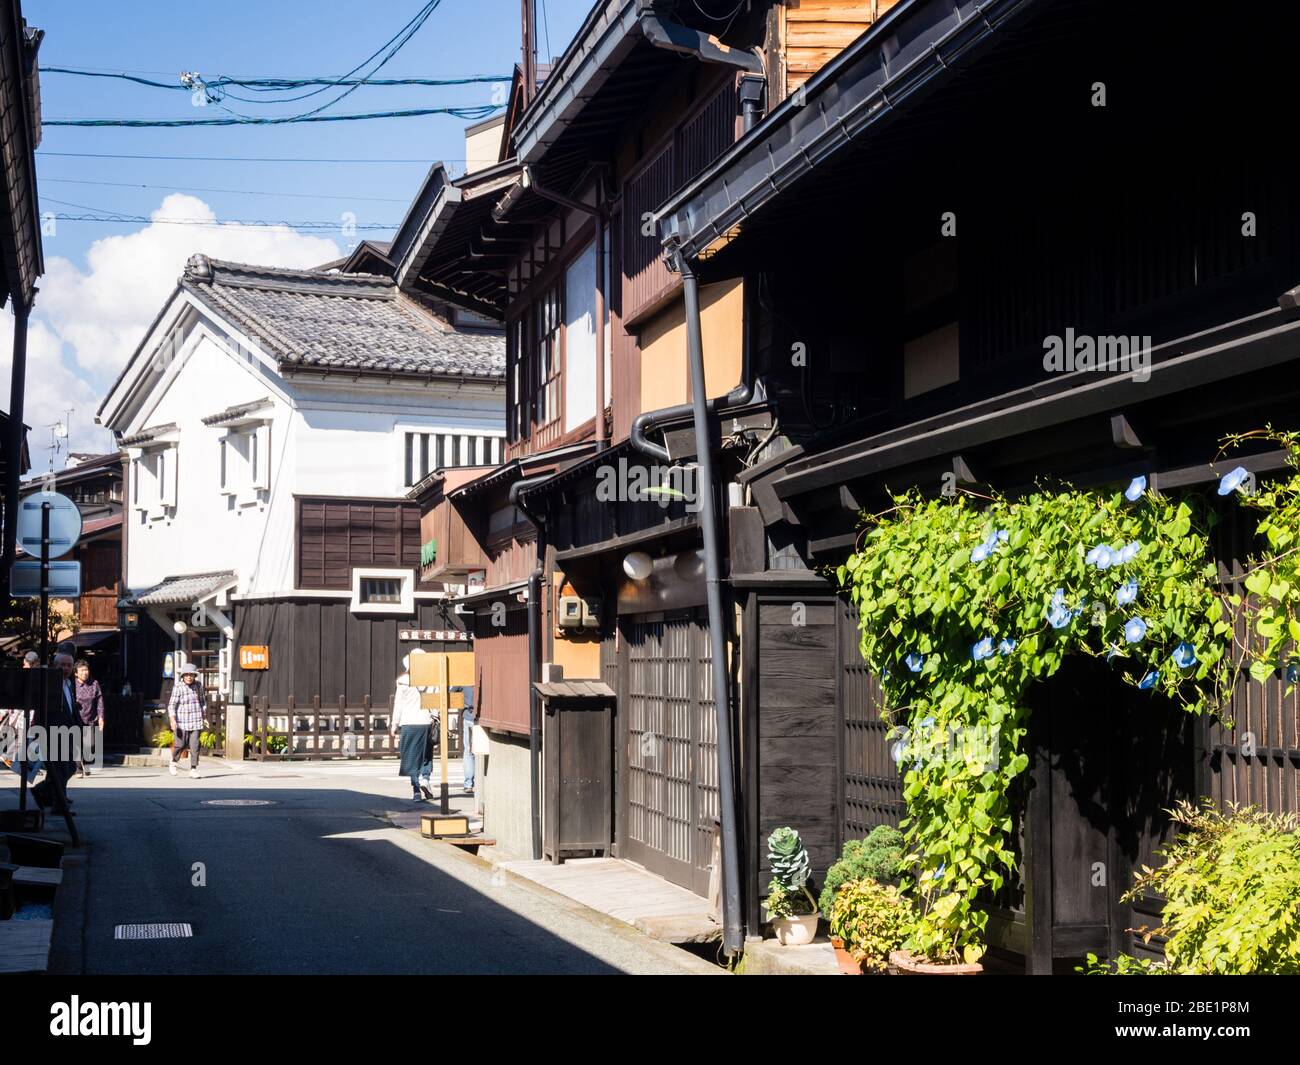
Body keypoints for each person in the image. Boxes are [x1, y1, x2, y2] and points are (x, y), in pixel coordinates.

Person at [389, 672, 433, 802]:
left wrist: (394, 724)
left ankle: (416, 791)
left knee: (411, 757)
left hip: (408, 722)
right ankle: (425, 779)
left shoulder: (402, 681)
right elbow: (435, 702)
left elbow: (398, 705)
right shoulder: (430, 679)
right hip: (425, 721)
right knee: (426, 753)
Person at [167, 662, 206, 779]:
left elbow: (203, 702)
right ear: (183, 676)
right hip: (182, 722)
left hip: (196, 720)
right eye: (186, 675)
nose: (189, 677)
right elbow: (171, 705)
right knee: (180, 744)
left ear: (195, 676)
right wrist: (173, 720)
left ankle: (193, 769)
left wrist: (204, 717)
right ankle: (173, 762)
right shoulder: (178, 687)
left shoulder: (198, 686)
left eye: (191, 675)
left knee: (195, 746)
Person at [73, 659, 105, 777]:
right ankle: (78, 768)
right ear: (76, 673)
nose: (84, 673)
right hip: (76, 718)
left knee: (90, 744)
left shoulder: (94, 684)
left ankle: (86, 763)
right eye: (81, 670)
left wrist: (101, 717)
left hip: (90, 718)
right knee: (76, 743)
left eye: (86, 670)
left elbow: (100, 701)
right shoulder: (72, 685)